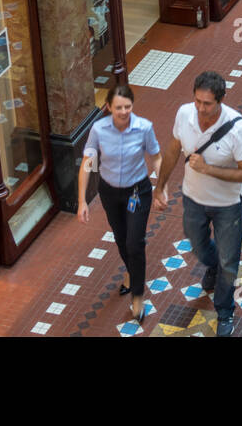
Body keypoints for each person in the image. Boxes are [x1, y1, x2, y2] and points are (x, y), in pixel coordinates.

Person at [157, 70, 242, 337]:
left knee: (228, 262)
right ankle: (210, 264)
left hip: (227, 206)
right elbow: (173, 148)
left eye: (208, 104)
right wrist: (161, 185)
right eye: (198, 101)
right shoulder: (184, 114)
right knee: (198, 245)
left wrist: (209, 169)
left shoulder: (238, 129)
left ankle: (224, 312)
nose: (201, 109)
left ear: (221, 101)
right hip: (192, 199)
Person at [77, 83, 162, 324]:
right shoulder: (98, 129)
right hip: (110, 193)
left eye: (128, 107)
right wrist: (82, 200)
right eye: (118, 108)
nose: (124, 112)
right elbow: (87, 163)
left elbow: (155, 156)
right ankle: (131, 272)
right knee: (120, 237)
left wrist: (162, 187)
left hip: (138, 191)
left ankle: (137, 296)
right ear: (108, 107)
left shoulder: (144, 128)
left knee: (135, 242)